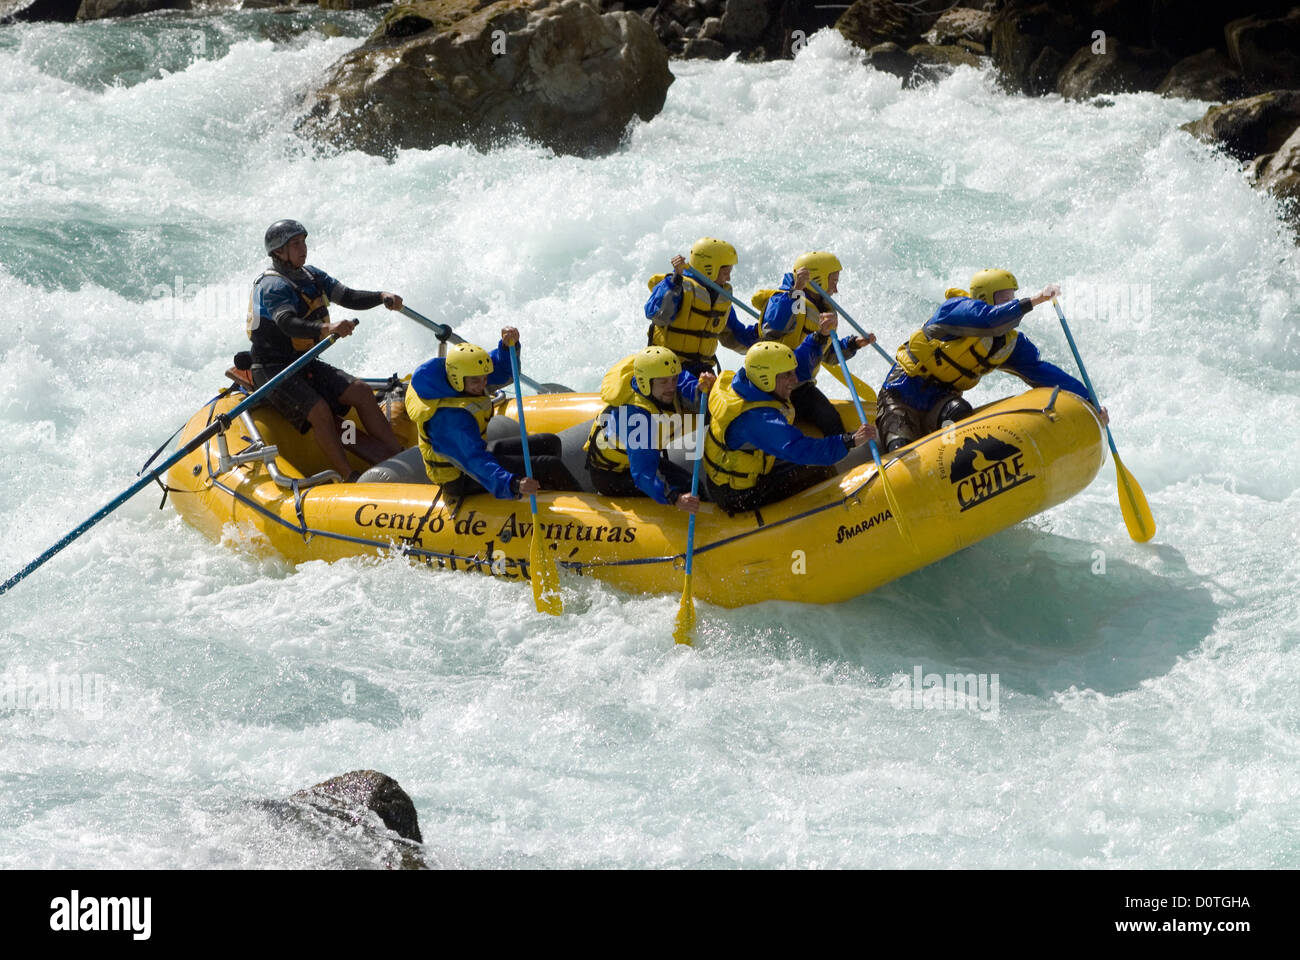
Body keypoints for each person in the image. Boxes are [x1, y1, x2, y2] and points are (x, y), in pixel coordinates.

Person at [875, 269, 1108, 452]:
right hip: (900, 395)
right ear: (984, 298)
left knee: (958, 412)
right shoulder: (956, 310)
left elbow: (1042, 373)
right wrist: (1036, 299)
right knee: (900, 446)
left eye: (1011, 298)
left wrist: (1089, 401)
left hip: (940, 403)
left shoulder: (1008, 343)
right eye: (1003, 298)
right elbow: (989, 320)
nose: (1010, 303)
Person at [247, 219, 404, 481]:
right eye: (294, 244)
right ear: (278, 252)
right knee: (320, 412)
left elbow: (348, 296)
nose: (303, 248)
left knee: (362, 392)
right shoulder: (272, 285)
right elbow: (287, 323)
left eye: (303, 242)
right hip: (273, 369)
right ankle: (348, 477)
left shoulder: (312, 275)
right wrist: (326, 328)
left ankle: (398, 454)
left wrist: (380, 297)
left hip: (304, 363)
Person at [703, 318, 876, 515]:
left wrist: (819, 337)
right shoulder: (757, 419)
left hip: (733, 470)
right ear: (767, 378)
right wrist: (850, 440)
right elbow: (802, 449)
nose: (794, 380)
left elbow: (799, 363)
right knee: (817, 471)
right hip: (736, 494)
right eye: (787, 376)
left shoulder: (746, 381)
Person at [405, 328, 580, 500]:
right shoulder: (449, 418)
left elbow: (500, 370)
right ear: (457, 378)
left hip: (475, 452)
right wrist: (512, 483)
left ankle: (549, 498)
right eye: (476, 381)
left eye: (484, 378)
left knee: (549, 442)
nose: (482, 385)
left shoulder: (465, 377)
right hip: (461, 477)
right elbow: (474, 461)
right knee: (548, 465)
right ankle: (581, 515)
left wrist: (506, 347)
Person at [754, 250, 875, 438]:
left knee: (831, 421)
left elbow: (826, 355)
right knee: (781, 433)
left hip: (799, 386)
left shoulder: (820, 308)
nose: (835, 289)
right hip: (773, 386)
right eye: (833, 282)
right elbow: (774, 326)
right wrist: (796, 290)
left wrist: (854, 344)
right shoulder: (788, 300)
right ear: (818, 280)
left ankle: (839, 462)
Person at [584, 346, 717, 513]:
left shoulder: (666, 375)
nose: (671, 387)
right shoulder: (635, 418)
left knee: (692, 485)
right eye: (663, 382)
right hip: (614, 475)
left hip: (642, 459)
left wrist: (704, 386)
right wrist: (675, 498)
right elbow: (643, 474)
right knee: (682, 489)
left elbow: (687, 386)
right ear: (645, 383)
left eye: (673, 379)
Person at [644, 237, 757, 376]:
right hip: (668, 367)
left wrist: (764, 335)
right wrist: (675, 281)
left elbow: (737, 336)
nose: (728, 278)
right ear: (710, 268)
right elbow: (659, 316)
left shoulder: (720, 299)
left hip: (702, 370)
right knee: (694, 392)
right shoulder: (676, 286)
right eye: (726, 272)